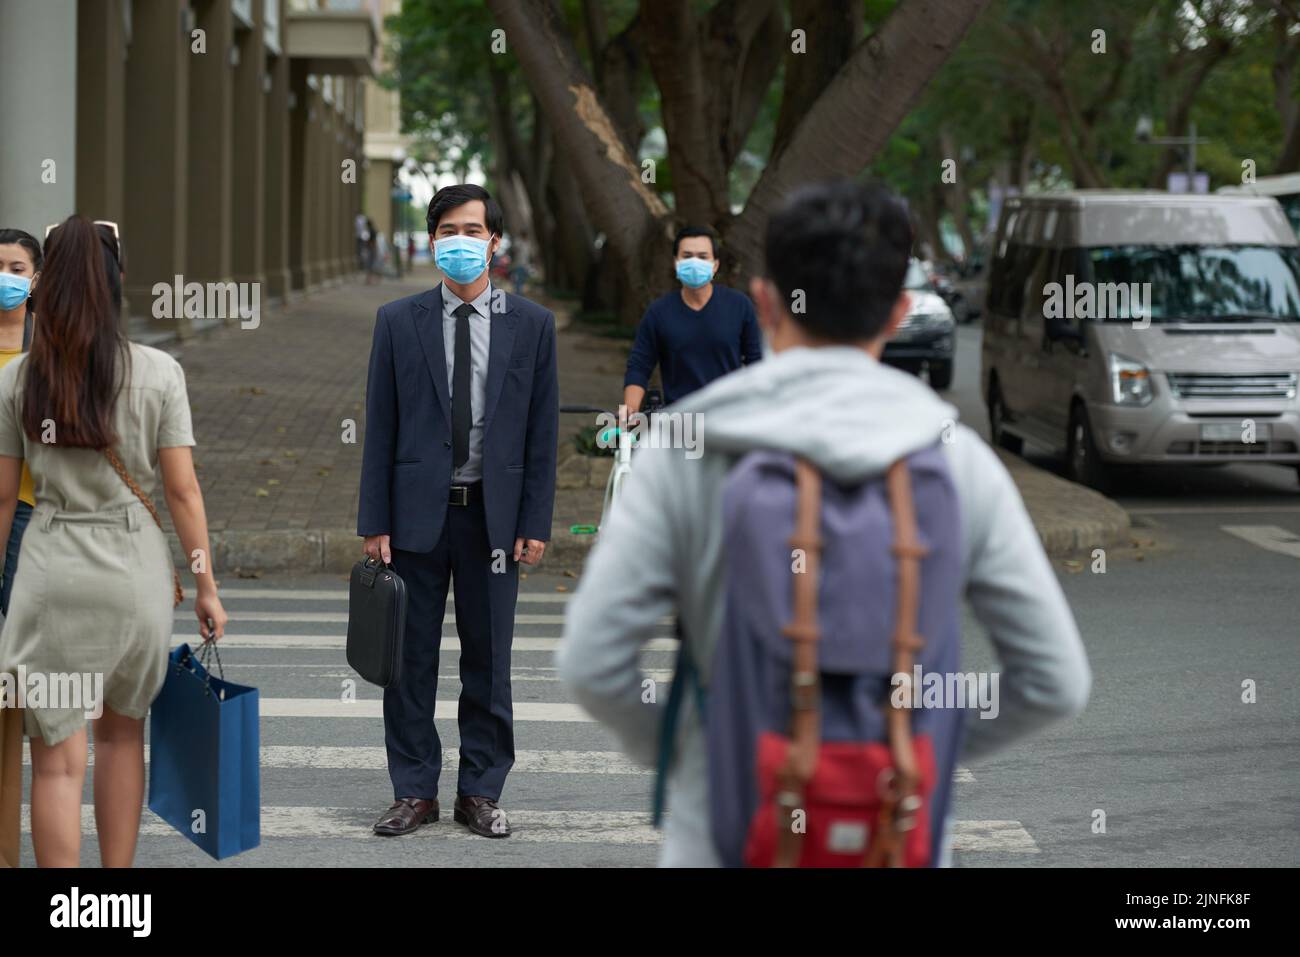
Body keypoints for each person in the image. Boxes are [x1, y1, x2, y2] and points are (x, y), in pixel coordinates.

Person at [558, 180, 1090, 867]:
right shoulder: (957, 459)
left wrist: (704, 746)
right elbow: (1055, 680)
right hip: (894, 836)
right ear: (899, 311)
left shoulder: (688, 450)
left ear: (768, 301)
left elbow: (593, 662)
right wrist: (928, 734)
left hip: (724, 834)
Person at [0, 216, 227, 867]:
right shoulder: (159, 372)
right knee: (123, 736)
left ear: (48, 284)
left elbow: (0, 496)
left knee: (57, 762)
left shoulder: (17, 381)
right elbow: (183, 493)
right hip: (134, 574)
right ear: (116, 281)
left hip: (50, 569)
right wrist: (206, 583)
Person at [358, 184, 558, 839]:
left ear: (494, 242)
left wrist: (534, 522)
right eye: (448, 230)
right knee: (409, 659)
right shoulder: (397, 321)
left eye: (473, 230)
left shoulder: (532, 325)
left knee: (489, 660)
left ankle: (480, 789)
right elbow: (381, 426)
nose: (461, 242)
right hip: (416, 517)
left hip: (492, 520)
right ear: (432, 240)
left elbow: (540, 434)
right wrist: (374, 520)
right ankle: (414, 789)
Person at [621, 225, 762, 416]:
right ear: (676, 262)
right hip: (679, 422)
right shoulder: (658, 312)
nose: (694, 262)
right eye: (687, 256)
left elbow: (757, 363)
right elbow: (639, 365)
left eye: (703, 257)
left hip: (729, 418)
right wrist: (630, 410)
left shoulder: (740, 306)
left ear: (715, 265)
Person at [0, 228, 42, 616]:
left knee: (19, 613)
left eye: (16, 268)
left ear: (34, 279)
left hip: (29, 501)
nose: (5, 277)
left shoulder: (50, 343)